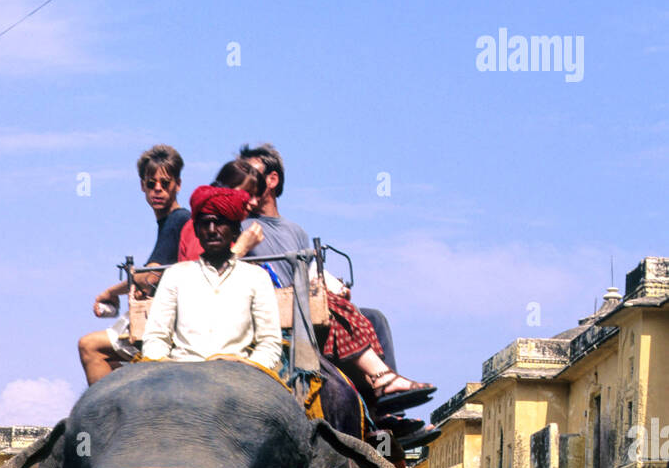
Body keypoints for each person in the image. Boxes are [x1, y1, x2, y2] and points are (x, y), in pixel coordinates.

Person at [237, 143, 433, 402]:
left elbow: (306, 271)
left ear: (272, 179)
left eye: (250, 173)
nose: (243, 180)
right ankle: (380, 378)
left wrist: (328, 282)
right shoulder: (243, 225)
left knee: (374, 317)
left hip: (302, 302)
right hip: (279, 309)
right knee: (331, 307)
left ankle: (386, 407)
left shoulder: (295, 231)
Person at [78, 144, 190, 385]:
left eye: (165, 183)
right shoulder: (171, 222)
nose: (157, 190)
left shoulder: (177, 220)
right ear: (142, 186)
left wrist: (110, 292)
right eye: (151, 184)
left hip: (168, 325)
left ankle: (105, 422)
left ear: (178, 185)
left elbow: (150, 273)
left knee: (89, 346)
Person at [141, 186, 282, 372]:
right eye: (205, 224)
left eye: (220, 223)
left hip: (238, 375)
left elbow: (270, 344)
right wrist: (167, 370)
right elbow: (155, 338)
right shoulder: (175, 275)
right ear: (197, 231)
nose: (212, 230)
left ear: (235, 230)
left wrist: (245, 368)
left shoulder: (256, 278)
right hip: (180, 375)